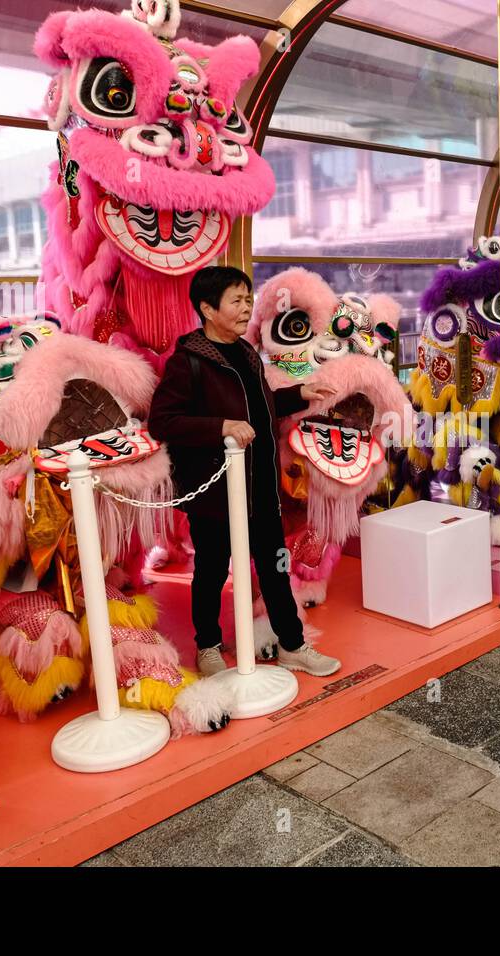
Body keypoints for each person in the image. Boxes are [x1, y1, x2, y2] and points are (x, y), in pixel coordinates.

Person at [148, 266, 342, 677]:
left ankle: (292, 645)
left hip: (261, 488)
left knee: (275, 566)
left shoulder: (246, 352)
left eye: (247, 299)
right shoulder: (188, 362)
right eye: (236, 300)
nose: (246, 308)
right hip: (216, 493)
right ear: (207, 308)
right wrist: (220, 428)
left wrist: (297, 394)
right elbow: (163, 421)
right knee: (213, 570)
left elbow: (256, 405)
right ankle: (208, 647)